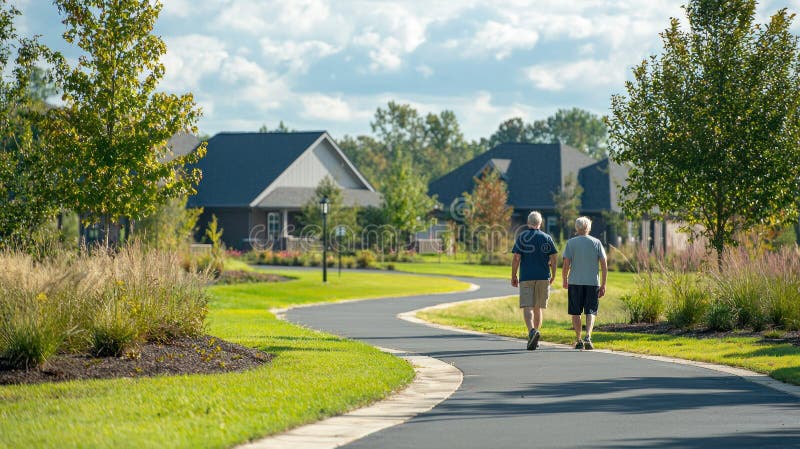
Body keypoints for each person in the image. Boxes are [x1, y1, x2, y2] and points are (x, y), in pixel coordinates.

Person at [512, 211, 558, 350]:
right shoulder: (547, 238)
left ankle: (532, 332)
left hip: (526, 277)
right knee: (538, 308)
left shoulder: (522, 237)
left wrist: (514, 275)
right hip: (543, 276)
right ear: (540, 223)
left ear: (528, 222)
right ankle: (535, 335)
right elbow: (554, 258)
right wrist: (553, 275)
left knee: (528, 306)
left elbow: (516, 258)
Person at [561, 216, 607, 350]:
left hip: (575, 282)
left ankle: (579, 339)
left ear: (576, 228)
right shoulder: (596, 242)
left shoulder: (571, 243)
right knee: (591, 311)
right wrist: (603, 284)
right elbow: (604, 264)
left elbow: (566, 265)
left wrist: (565, 279)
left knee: (575, 312)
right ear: (589, 227)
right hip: (592, 282)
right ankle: (588, 336)